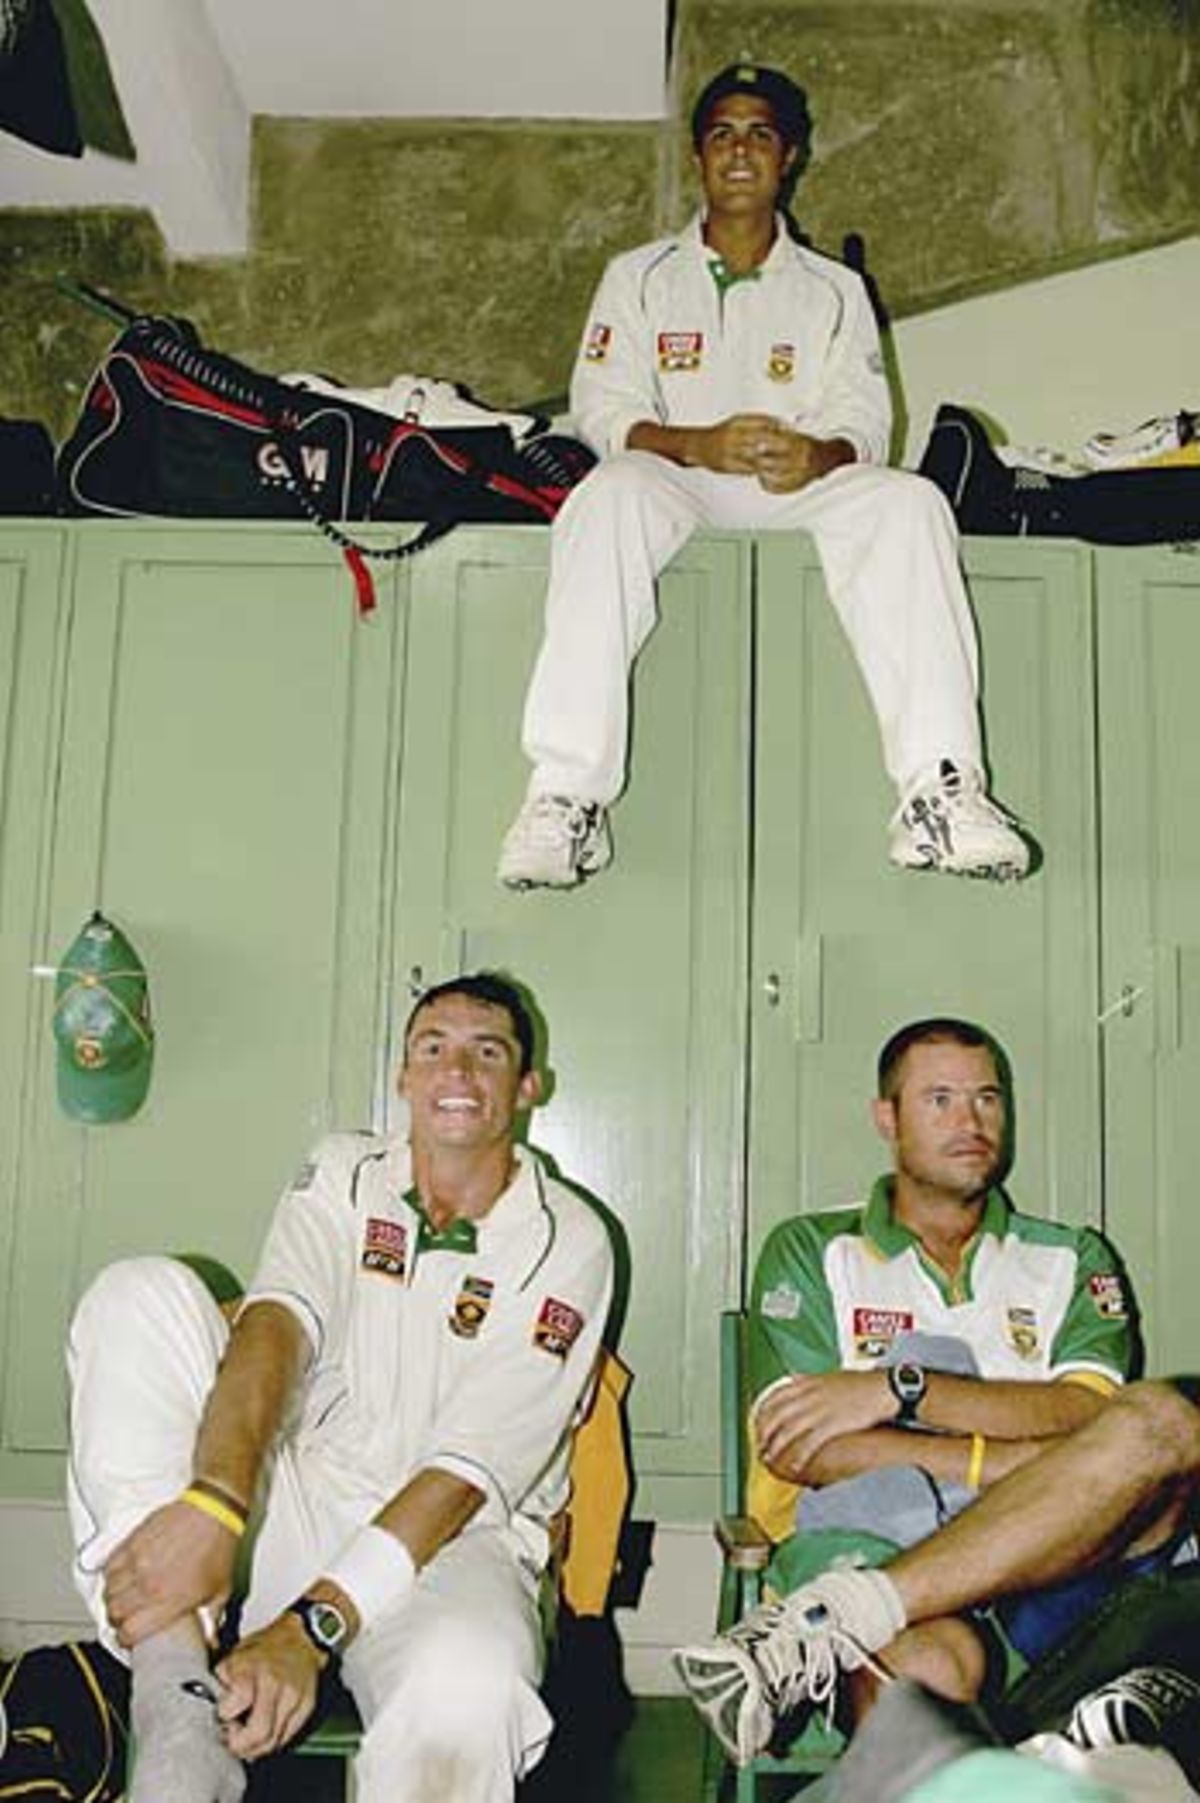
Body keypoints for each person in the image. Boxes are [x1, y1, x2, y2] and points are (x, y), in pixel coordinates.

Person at [65, 971, 615, 1803]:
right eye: (433, 1048)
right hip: (303, 1498)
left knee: (471, 1685)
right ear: (403, 1077)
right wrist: (217, 1502)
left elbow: (463, 1474)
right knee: (138, 1291)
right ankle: (179, 1706)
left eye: (487, 1052)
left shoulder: (569, 1238)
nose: (456, 1071)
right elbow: (276, 1325)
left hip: (455, 1546)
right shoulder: (343, 1172)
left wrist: (309, 1630)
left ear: (528, 1086)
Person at [498, 61, 1031, 892]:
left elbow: (864, 423)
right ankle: (566, 795)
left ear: (789, 157)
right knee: (605, 495)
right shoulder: (637, 276)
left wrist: (819, 455)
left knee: (910, 502)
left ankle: (940, 792)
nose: (740, 150)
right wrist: (697, 444)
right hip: (676, 480)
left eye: (760, 134)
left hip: (798, 492)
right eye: (722, 134)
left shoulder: (836, 289)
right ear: (698, 157)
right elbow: (603, 412)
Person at [674, 1016, 1200, 1767]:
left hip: (1055, 1558)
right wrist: (1031, 1463)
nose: (971, 1121)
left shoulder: (1070, 1257)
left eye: (988, 1098)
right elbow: (806, 1450)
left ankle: (826, 1623)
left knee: (1169, 1420)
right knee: (935, 1668)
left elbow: (1094, 1416)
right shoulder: (812, 1251)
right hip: (870, 1534)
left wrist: (901, 1390)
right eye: (941, 1099)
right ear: (887, 1118)